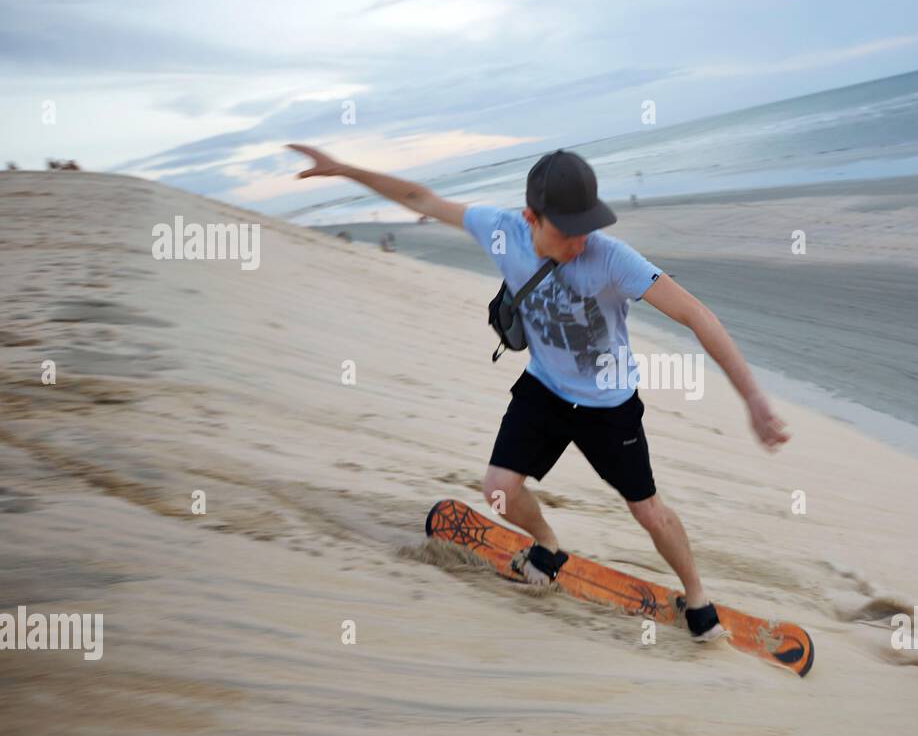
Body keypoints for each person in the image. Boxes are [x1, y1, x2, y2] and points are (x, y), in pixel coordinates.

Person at [288, 144, 790, 641]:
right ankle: (548, 547)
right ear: (532, 217)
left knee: (647, 511)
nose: (580, 241)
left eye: (587, 227)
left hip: (608, 406)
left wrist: (753, 400)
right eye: (567, 231)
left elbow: (696, 315)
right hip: (545, 389)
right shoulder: (501, 232)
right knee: (498, 492)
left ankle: (697, 594)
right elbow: (420, 197)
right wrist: (342, 169)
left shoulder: (612, 259)